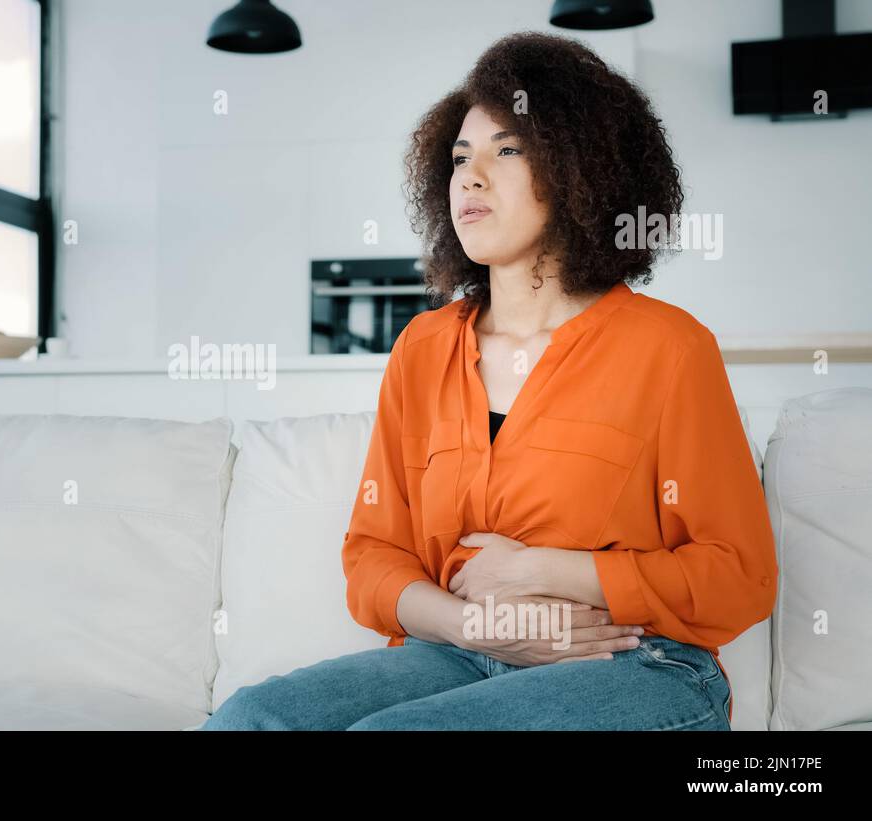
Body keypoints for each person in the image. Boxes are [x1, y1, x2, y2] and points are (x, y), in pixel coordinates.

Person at [202, 31, 776, 731]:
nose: (470, 177)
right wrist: (478, 627)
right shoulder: (423, 348)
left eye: (506, 150)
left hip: (635, 664)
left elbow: (738, 574)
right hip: (460, 651)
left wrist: (543, 570)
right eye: (459, 158)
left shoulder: (670, 348)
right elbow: (374, 555)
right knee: (253, 717)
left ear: (579, 168)